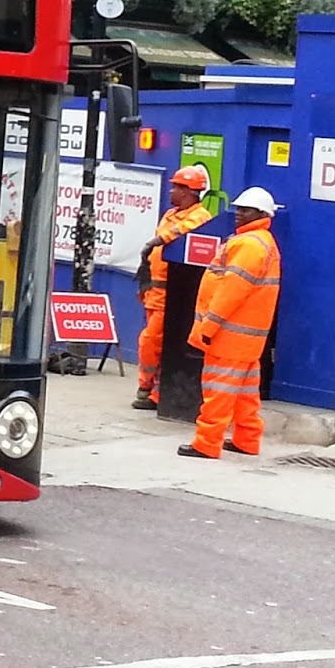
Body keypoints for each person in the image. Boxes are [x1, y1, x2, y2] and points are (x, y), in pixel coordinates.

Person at [179, 186, 282, 460]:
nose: (238, 214)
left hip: (228, 336)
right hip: (248, 339)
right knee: (246, 394)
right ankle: (247, 440)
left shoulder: (248, 244)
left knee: (218, 391)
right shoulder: (262, 242)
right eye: (237, 208)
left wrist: (208, 327)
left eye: (245, 210)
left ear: (261, 213)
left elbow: (231, 292)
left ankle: (206, 443)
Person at [131, 165, 214, 409]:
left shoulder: (200, 217)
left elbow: (173, 236)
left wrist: (152, 243)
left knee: (150, 341)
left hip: (173, 295)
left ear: (189, 192)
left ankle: (148, 388)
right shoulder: (170, 214)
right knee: (153, 343)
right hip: (154, 292)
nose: (171, 191)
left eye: (177, 187)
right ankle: (152, 390)